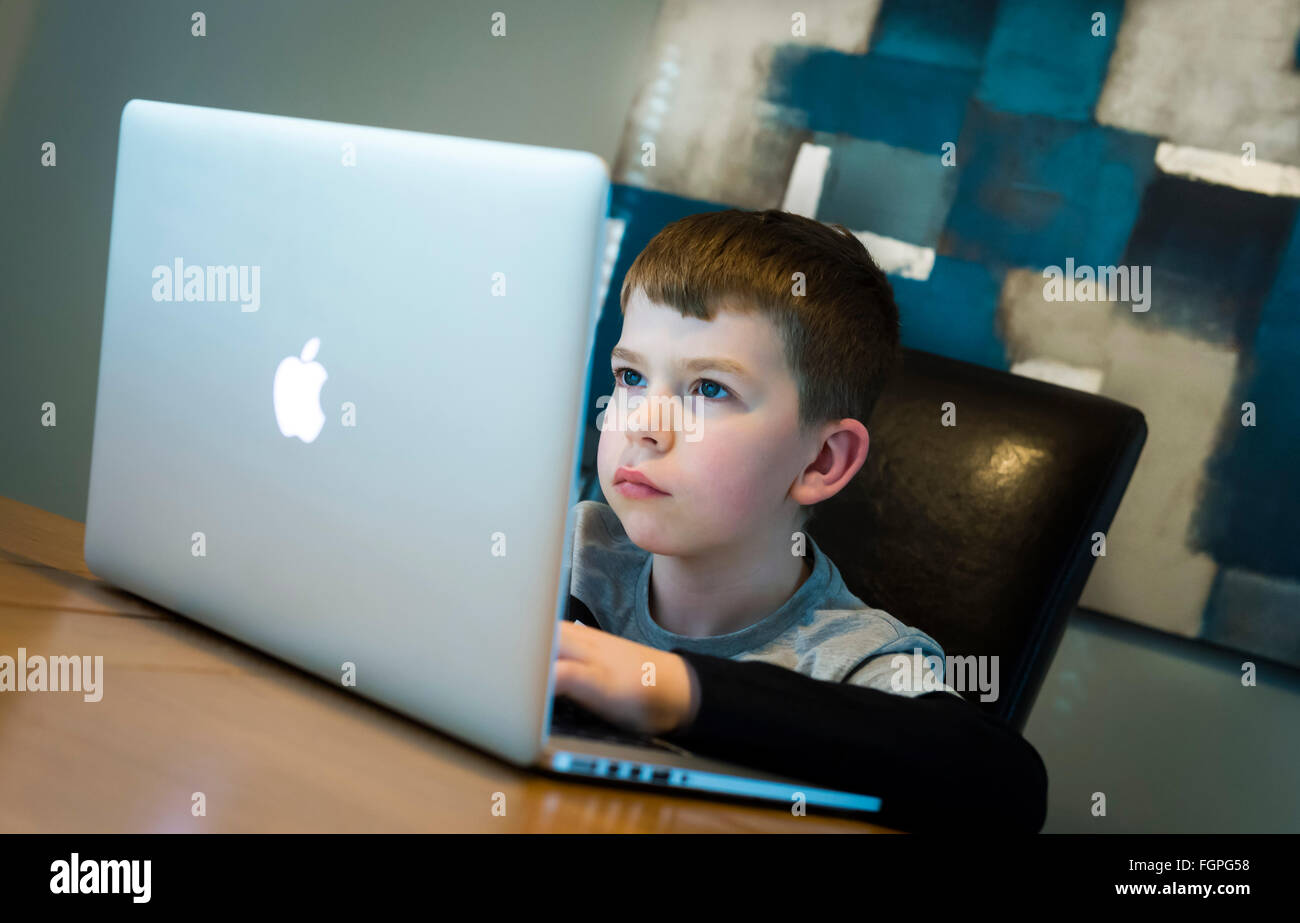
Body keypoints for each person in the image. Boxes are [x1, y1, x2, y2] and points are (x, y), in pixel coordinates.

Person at [552, 209, 1047, 833]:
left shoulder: (857, 660)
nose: (642, 425)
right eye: (631, 377)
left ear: (820, 460)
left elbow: (1004, 785)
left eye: (707, 390)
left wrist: (675, 688)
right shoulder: (573, 551)